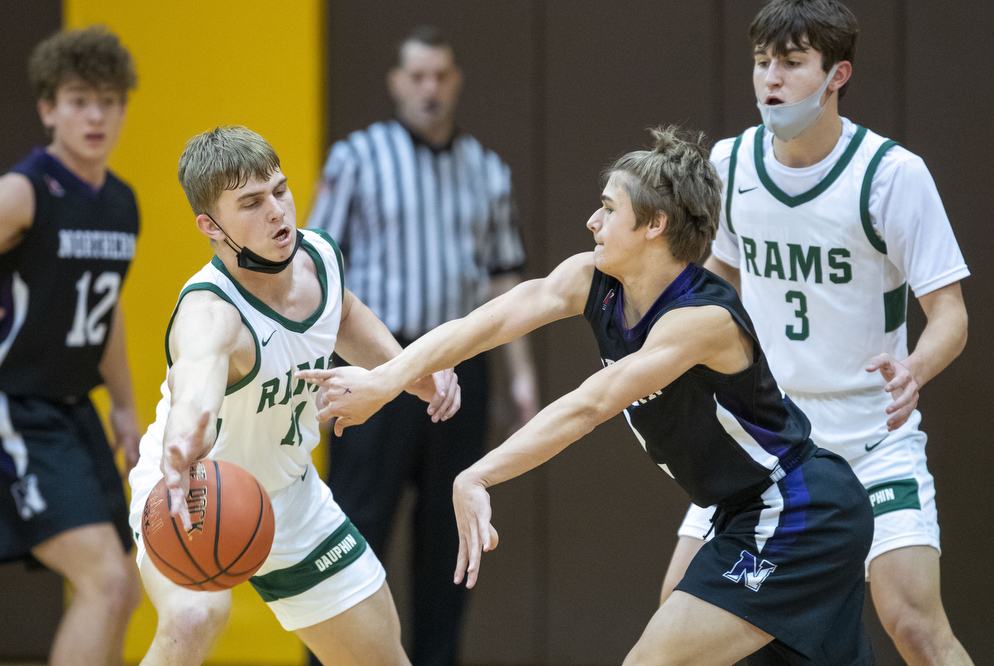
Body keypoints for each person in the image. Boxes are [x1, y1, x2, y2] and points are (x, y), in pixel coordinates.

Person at [301, 127, 876, 665]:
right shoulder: (593, 279)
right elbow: (485, 324)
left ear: (654, 224)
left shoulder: (702, 319)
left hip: (798, 506)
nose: (591, 220)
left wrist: (476, 475)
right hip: (739, 509)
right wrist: (387, 378)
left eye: (608, 208)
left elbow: (590, 405)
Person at [660, 2, 974, 665]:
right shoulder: (731, 162)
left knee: (913, 624)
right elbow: (718, 283)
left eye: (793, 63)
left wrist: (914, 368)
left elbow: (950, 315)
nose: (771, 79)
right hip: (765, 435)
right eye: (761, 62)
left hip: (869, 439)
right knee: (673, 618)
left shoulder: (890, 174)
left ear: (838, 74)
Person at [126, 125, 459, 666]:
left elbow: (343, 314)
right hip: (195, 488)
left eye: (279, 190)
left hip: (289, 495)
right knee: (194, 619)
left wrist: (409, 371)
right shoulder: (210, 312)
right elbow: (195, 391)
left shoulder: (319, 257)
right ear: (210, 226)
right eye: (251, 203)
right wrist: (182, 446)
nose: (278, 211)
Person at [306, 25, 538, 666]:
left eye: (440, 76)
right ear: (396, 83)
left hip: (461, 369)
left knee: (449, 537)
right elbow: (317, 267)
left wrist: (518, 374)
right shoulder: (358, 157)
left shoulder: (487, 169)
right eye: (417, 76)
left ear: (455, 81)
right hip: (377, 364)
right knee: (354, 529)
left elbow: (503, 275)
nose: (429, 89)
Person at [0, 27, 142, 666]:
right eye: (80, 99)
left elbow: (103, 311)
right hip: (16, 406)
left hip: (75, 409)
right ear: (49, 108)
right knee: (102, 581)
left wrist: (125, 407)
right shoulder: (23, 193)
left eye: (109, 101)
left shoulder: (120, 203)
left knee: (125, 585)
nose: (96, 115)